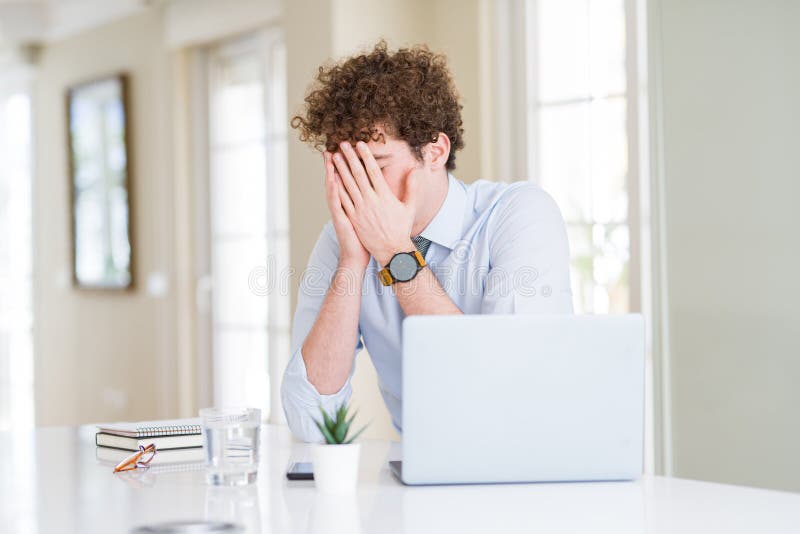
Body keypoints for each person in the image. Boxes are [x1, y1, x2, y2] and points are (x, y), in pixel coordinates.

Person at [281, 41, 573, 442]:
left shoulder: (519, 214)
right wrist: (352, 261)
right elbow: (309, 420)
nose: (356, 188)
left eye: (374, 167)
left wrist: (395, 252)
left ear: (435, 152)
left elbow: (509, 393)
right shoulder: (342, 241)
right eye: (344, 169)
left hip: (526, 462)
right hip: (417, 467)